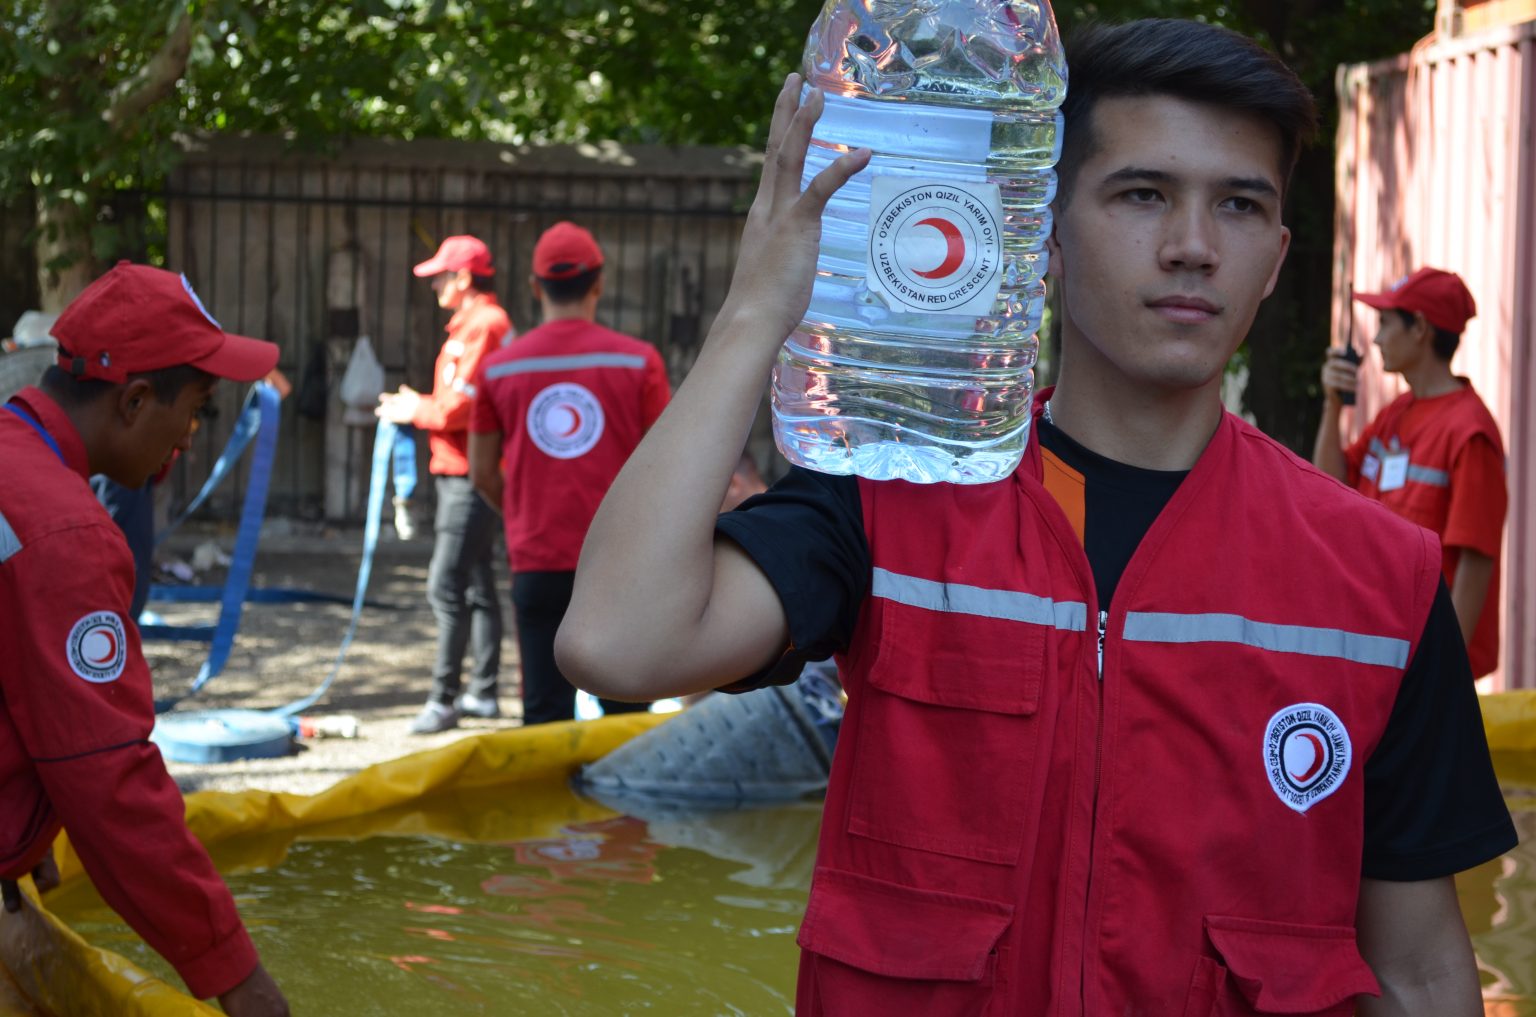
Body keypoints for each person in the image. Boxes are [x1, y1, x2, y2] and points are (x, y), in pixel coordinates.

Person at [555, 20, 1516, 1015]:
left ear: (1274, 258)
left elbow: (1418, 974)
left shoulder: (1379, 579)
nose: (1192, 247)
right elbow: (618, 644)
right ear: (1040, 229)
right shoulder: (896, 503)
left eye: (1238, 206)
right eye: (1143, 195)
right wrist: (755, 314)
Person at [0, 262, 289, 1016]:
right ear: (133, 400)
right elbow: (110, 779)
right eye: (196, 409)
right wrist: (239, 976)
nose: (190, 437)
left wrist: (23, 825)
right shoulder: (64, 533)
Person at [468, 221, 671, 725]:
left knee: (543, 710)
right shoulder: (638, 363)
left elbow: (481, 472)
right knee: (626, 713)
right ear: (598, 283)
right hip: (620, 564)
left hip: (537, 558)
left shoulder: (498, 370)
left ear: (535, 288)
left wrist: (521, 511)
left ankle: (552, 806)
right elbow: (669, 465)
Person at [1313, 267, 1507, 678]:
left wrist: (1440, 670)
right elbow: (1329, 489)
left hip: (1423, 668)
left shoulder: (1470, 432)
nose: (1378, 338)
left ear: (1419, 328)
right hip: (1384, 652)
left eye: (1385, 323)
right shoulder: (1395, 413)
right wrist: (1332, 405)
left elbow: (1475, 562)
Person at [379, 234, 510, 734]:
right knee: (476, 584)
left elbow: (464, 406)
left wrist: (416, 410)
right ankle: (483, 694)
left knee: (445, 584)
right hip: (457, 468)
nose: (434, 284)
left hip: (469, 474)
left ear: (464, 278)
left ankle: (443, 700)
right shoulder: (472, 323)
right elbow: (458, 399)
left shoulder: (485, 325)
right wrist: (420, 405)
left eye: (440, 275)